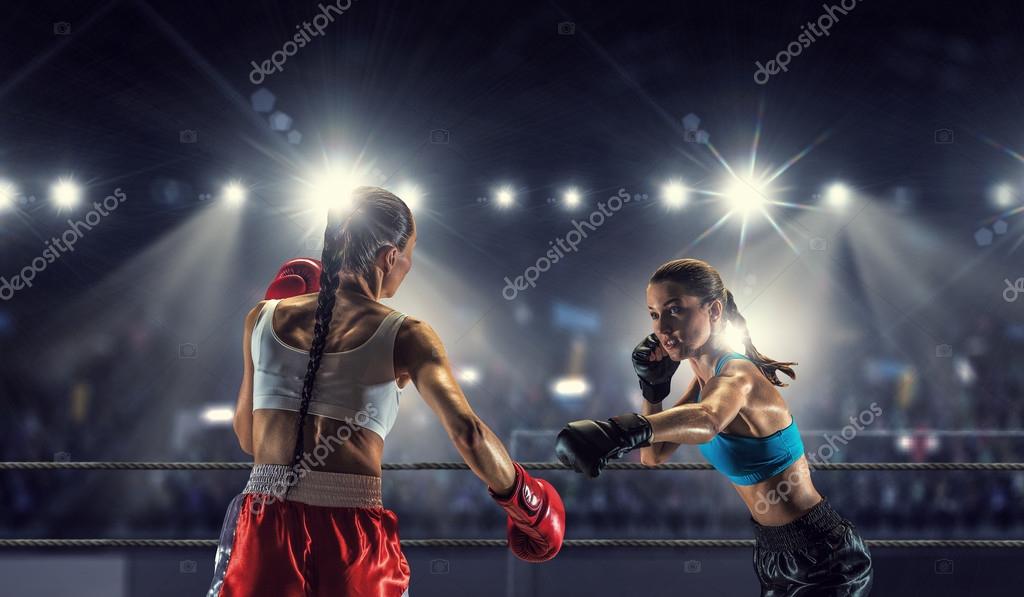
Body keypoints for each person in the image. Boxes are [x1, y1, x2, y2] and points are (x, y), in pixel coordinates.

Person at [208, 187, 565, 597]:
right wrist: (527, 503)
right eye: (409, 254)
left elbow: (248, 438)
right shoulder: (409, 334)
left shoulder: (261, 317)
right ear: (390, 257)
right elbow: (467, 433)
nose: (408, 266)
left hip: (264, 524)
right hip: (350, 535)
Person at [555, 258, 872, 596]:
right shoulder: (702, 381)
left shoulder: (737, 376)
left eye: (675, 310)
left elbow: (708, 419)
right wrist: (653, 391)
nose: (661, 327)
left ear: (715, 311)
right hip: (772, 554)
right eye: (654, 314)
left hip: (824, 556)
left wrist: (616, 431)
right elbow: (653, 456)